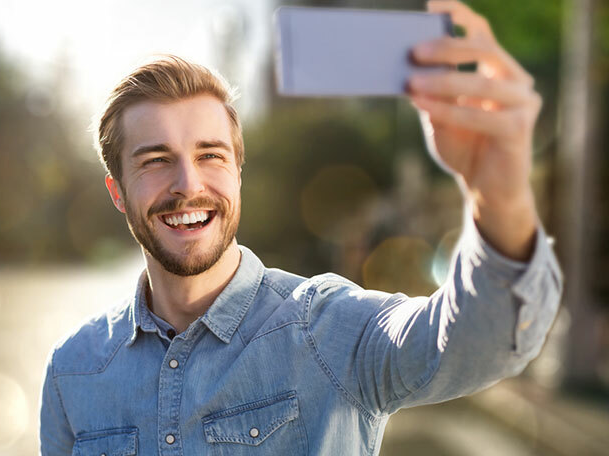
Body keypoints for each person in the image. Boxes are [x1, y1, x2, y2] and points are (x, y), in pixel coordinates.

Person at [39, 2, 562, 454]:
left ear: (238, 173)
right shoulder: (73, 370)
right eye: (156, 160)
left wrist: (501, 195)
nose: (188, 184)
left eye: (210, 155)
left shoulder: (328, 330)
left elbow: (479, 341)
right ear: (118, 194)